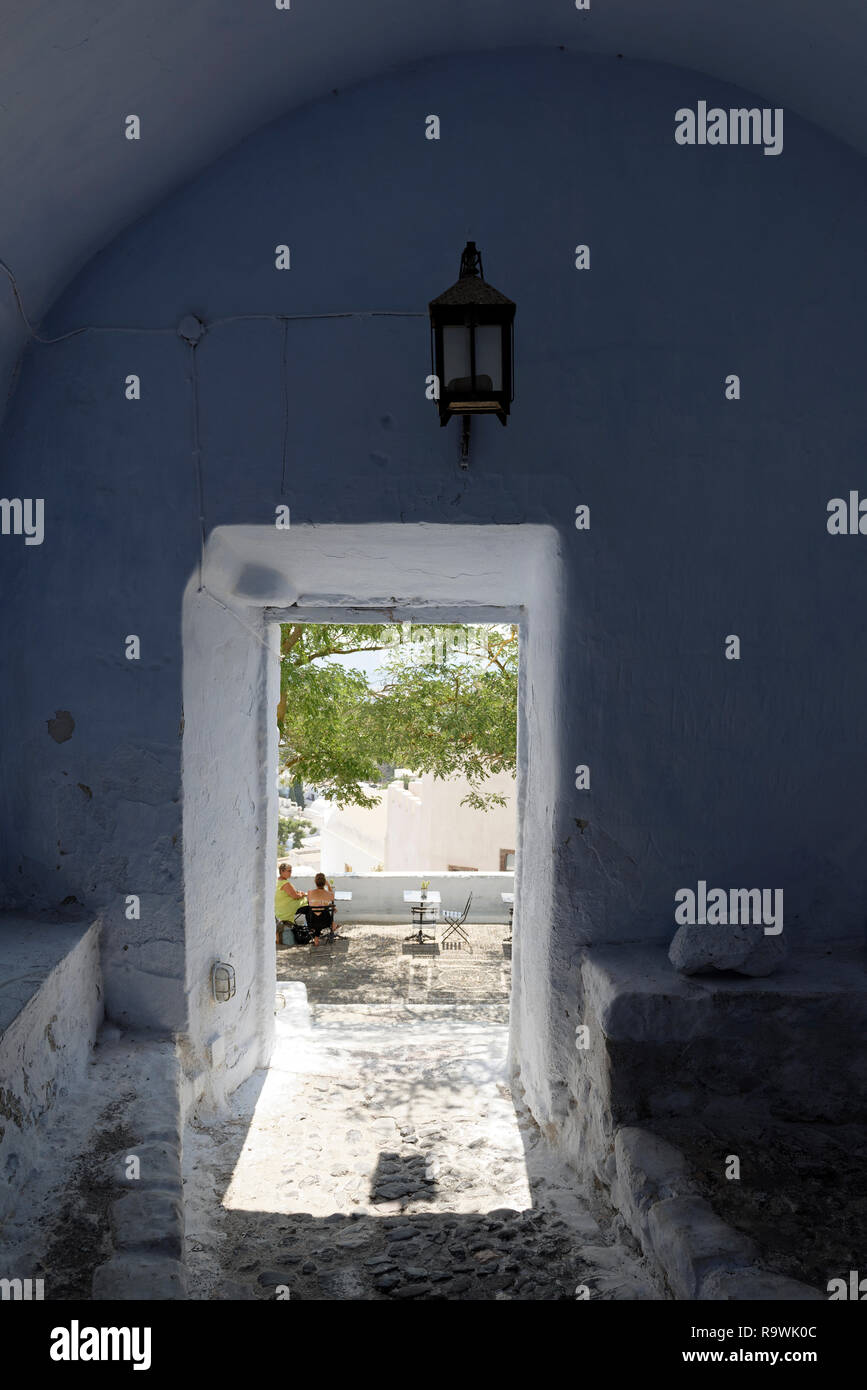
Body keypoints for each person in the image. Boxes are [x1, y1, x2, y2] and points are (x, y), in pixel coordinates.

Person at [274, 862, 306, 945]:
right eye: (289, 871)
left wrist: (298, 894)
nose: (291, 873)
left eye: (291, 871)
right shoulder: (285, 883)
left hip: (279, 908)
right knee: (309, 903)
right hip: (287, 906)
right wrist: (302, 894)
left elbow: (291, 893)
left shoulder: (277, 881)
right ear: (282, 871)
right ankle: (313, 930)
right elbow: (295, 896)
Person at [303, 872, 338, 947]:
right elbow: (332, 897)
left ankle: (316, 936)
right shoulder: (329, 894)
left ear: (315, 882)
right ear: (324, 882)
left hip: (311, 921)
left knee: (315, 910)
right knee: (326, 910)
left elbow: (311, 903)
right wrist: (328, 885)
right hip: (325, 922)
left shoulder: (310, 893)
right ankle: (333, 925)